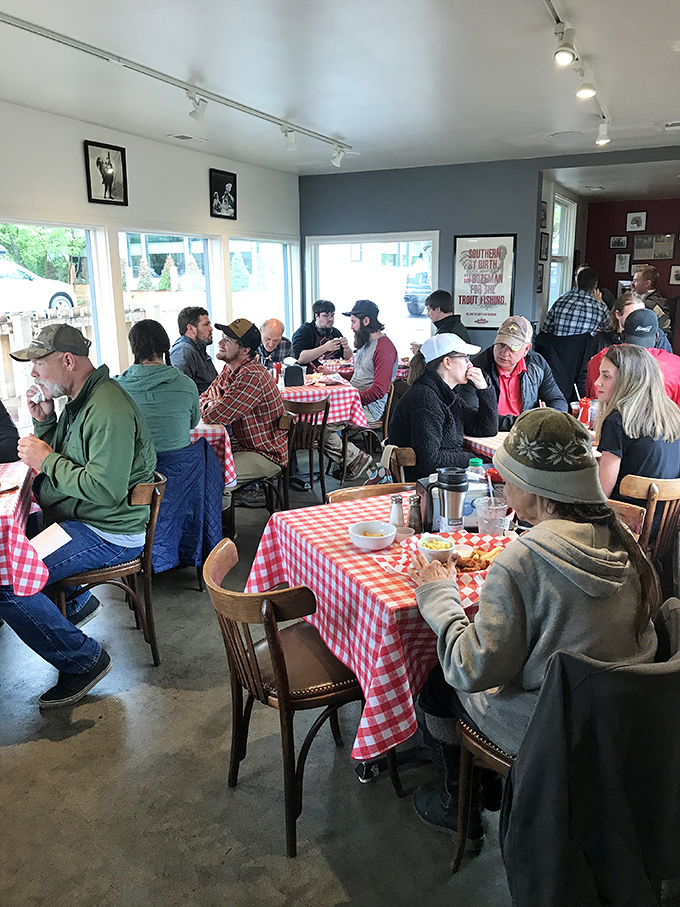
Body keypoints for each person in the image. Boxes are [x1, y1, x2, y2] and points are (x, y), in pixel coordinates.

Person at [409, 408, 658, 843]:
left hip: (554, 727)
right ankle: (485, 784)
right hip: (627, 719)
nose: (503, 487)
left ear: (536, 488)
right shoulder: (624, 537)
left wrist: (439, 594)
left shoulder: (522, 561)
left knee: (436, 685)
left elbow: (471, 668)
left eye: (508, 479)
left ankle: (461, 806)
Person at [2, 324, 156, 709]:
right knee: (20, 547)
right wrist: (45, 421)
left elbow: (105, 488)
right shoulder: (82, 398)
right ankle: (75, 600)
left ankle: (83, 659)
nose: (34, 373)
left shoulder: (107, 407)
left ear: (67, 360)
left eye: (39, 363)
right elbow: (73, 460)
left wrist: (46, 458)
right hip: (84, 522)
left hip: (108, 532)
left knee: (8, 582)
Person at [388, 333, 498, 481]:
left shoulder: (445, 395)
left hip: (444, 479)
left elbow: (486, 428)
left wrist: (484, 389)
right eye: (465, 358)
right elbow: (430, 461)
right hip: (426, 486)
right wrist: (472, 459)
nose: (470, 364)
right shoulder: (426, 399)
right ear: (447, 362)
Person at [199, 319, 287, 500]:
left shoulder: (251, 376)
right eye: (223, 337)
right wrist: (212, 404)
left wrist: (214, 405)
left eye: (228, 341)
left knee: (215, 478)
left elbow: (213, 416)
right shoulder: (230, 369)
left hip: (266, 453)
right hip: (242, 446)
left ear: (245, 350)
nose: (220, 343)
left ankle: (224, 529)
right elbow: (202, 400)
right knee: (199, 469)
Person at [323, 300, 398, 480]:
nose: (351, 327)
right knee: (316, 421)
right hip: (357, 403)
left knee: (321, 426)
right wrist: (336, 375)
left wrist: (351, 399)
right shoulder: (365, 344)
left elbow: (379, 390)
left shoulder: (384, 347)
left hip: (369, 409)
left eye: (353, 321)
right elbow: (360, 375)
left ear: (366, 321)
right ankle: (351, 459)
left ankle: (356, 457)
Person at [594, 343, 680, 500]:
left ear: (628, 379)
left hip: (624, 518)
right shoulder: (673, 415)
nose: (597, 382)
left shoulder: (618, 421)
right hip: (666, 521)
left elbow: (601, 495)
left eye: (606, 376)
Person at [456, 315, 567, 429]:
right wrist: (527, 423)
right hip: (490, 434)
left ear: (526, 349)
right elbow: (472, 416)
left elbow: (557, 400)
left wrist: (549, 419)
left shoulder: (538, 364)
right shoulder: (476, 369)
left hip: (527, 432)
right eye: (501, 344)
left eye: (513, 347)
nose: (504, 353)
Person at [115, 319, 199, 452]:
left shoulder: (116, 388)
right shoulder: (187, 385)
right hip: (181, 469)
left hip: (135, 470)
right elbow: (193, 423)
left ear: (134, 348)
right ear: (166, 346)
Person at [578, 291, 671, 396]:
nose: (639, 319)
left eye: (641, 313)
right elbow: (585, 376)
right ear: (618, 314)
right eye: (633, 315)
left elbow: (668, 374)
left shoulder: (658, 338)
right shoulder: (601, 340)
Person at [585, 309, 680, 403]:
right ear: (656, 338)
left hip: (610, 416)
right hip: (660, 417)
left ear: (623, 335)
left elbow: (594, 402)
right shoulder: (676, 364)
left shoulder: (602, 358)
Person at [541, 266, 609, 337]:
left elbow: (546, 328)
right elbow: (609, 330)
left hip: (558, 347)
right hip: (585, 347)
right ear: (595, 284)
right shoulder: (600, 307)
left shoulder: (560, 301)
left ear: (577, 282)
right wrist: (600, 301)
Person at [169, 306, 218, 393]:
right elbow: (181, 391)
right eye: (206, 324)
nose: (211, 329)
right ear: (191, 328)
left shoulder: (198, 350)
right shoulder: (183, 351)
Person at [291, 299, 351, 369]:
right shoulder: (304, 331)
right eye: (326, 315)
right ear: (316, 316)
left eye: (332, 315)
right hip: (311, 374)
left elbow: (349, 359)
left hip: (333, 373)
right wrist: (325, 348)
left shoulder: (335, 332)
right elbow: (300, 359)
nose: (330, 319)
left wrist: (346, 347)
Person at [632, 265, 671, 335]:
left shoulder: (651, 304)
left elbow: (665, 330)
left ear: (647, 283)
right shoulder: (639, 298)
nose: (632, 284)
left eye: (636, 281)